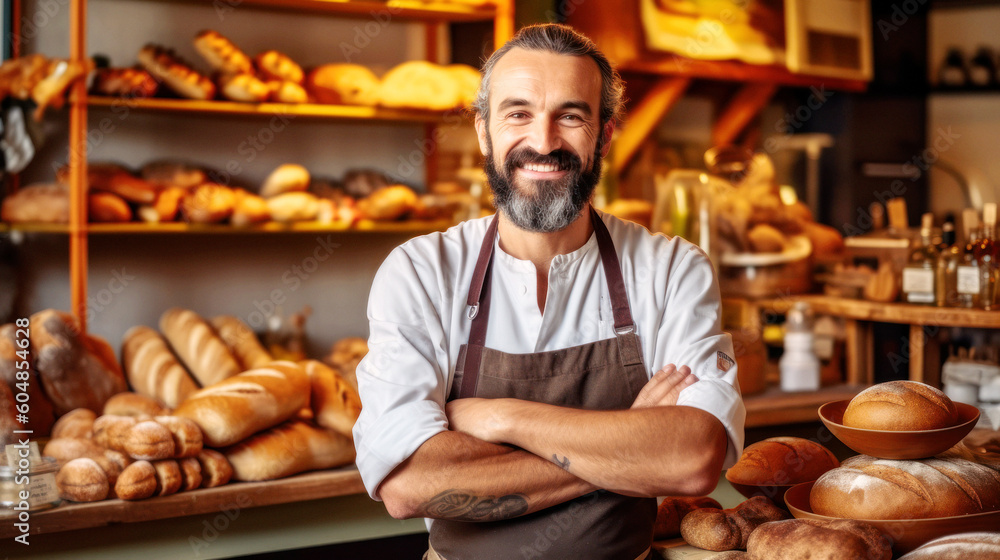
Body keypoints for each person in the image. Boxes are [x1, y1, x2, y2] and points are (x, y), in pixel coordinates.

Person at [353, 23, 745, 560]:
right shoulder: (420, 272)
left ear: (604, 134)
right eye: (518, 113)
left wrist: (502, 417)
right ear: (484, 131)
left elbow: (694, 457)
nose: (543, 142)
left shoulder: (671, 269)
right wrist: (629, 440)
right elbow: (408, 484)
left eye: (571, 115)